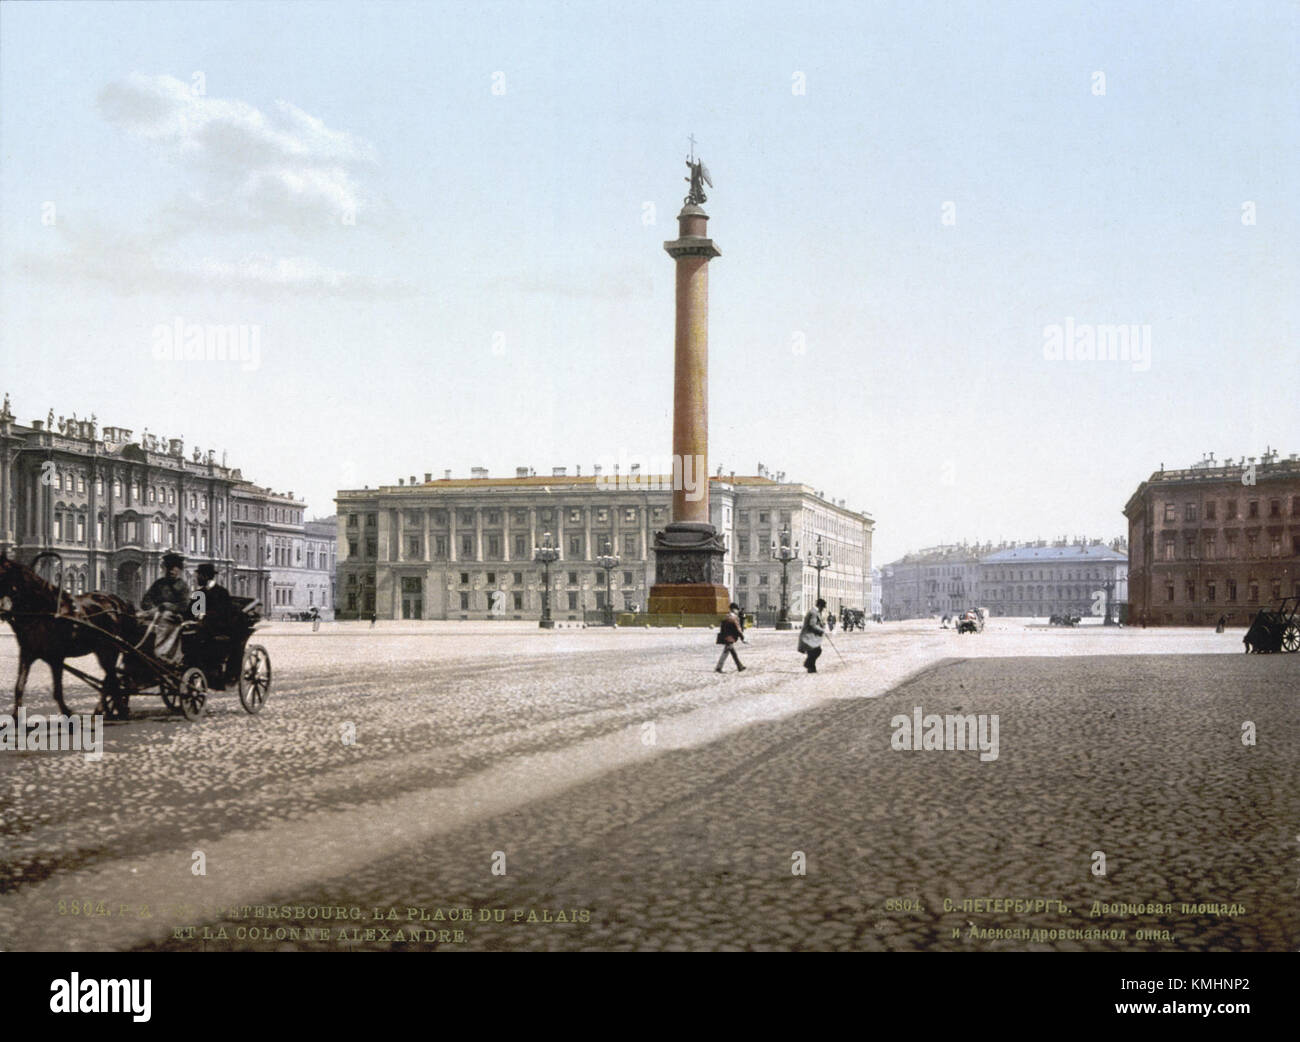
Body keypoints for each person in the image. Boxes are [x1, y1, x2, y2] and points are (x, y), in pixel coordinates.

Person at [141, 552, 189, 665]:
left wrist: (168, 606)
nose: (171, 571)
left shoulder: (182, 586)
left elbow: (184, 605)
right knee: (138, 619)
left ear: (179, 570)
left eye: (174, 568)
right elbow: (146, 599)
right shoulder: (159, 584)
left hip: (174, 617)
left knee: (164, 617)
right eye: (169, 568)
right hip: (155, 613)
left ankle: (160, 653)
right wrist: (151, 608)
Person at [715, 602, 747, 672]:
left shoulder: (726, 616)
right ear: (733, 609)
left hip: (726, 637)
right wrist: (743, 638)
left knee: (733, 653)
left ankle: (740, 666)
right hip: (730, 638)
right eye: (736, 609)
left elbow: (722, 627)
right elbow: (738, 629)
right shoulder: (734, 618)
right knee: (725, 653)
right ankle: (718, 667)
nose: (737, 611)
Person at [798, 598, 827, 672]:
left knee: (813, 651)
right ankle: (808, 665)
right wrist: (821, 630)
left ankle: (811, 668)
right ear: (820, 606)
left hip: (810, 637)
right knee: (816, 650)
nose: (822, 609)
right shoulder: (814, 612)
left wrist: (821, 625)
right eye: (823, 608)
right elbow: (812, 625)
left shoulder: (814, 612)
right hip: (808, 637)